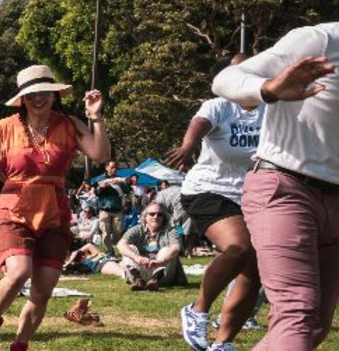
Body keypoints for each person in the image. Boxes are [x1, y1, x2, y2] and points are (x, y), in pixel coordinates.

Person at [0, 64, 109, 351]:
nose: (39, 98)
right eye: (32, 93)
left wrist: (96, 117)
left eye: (45, 92)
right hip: (14, 210)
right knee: (19, 270)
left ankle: (20, 344)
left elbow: (100, 153)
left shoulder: (70, 124)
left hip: (55, 212)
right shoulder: (5, 127)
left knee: (43, 291)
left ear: (54, 95)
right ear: (22, 98)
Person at [212, 23, 339, 351]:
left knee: (315, 326)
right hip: (285, 186)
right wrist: (269, 89)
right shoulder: (320, 40)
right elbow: (224, 80)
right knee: (298, 314)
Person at [166, 54, 265, 351]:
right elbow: (200, 123)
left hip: (250, 194)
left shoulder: (272, 109)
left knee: (255, 269)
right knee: (239, 247)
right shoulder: (219, 105)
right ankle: (198, 310)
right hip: (208, 190)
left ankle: (223, 343)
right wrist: (188, 145)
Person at [116, 202, 185, 291]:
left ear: (164, 218)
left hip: (164, 272)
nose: (155, 217)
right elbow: (120, 244)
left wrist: (160, 261)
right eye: (152, 214)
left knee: (167, 250)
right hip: (142, 269)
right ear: (145, 217)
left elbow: (176, 248)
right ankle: (137, 280)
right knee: (129, 247)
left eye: (159, 214)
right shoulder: (136, 229)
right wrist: (137, 258)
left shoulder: (171, 231)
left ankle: (155, 280)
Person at [94, 161, 128, 255]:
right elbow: (96, 193)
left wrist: (123, 183)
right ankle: (109, 251)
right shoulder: (100, 179)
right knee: (105, 232)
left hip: (117, 209)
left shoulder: (120, 180)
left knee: (118, 231)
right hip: (104, 210)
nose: (114, 169)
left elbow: (127, 191)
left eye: (116, 167)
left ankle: (114, 246)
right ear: (106, 167)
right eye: (112, 167)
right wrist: (100, 187)